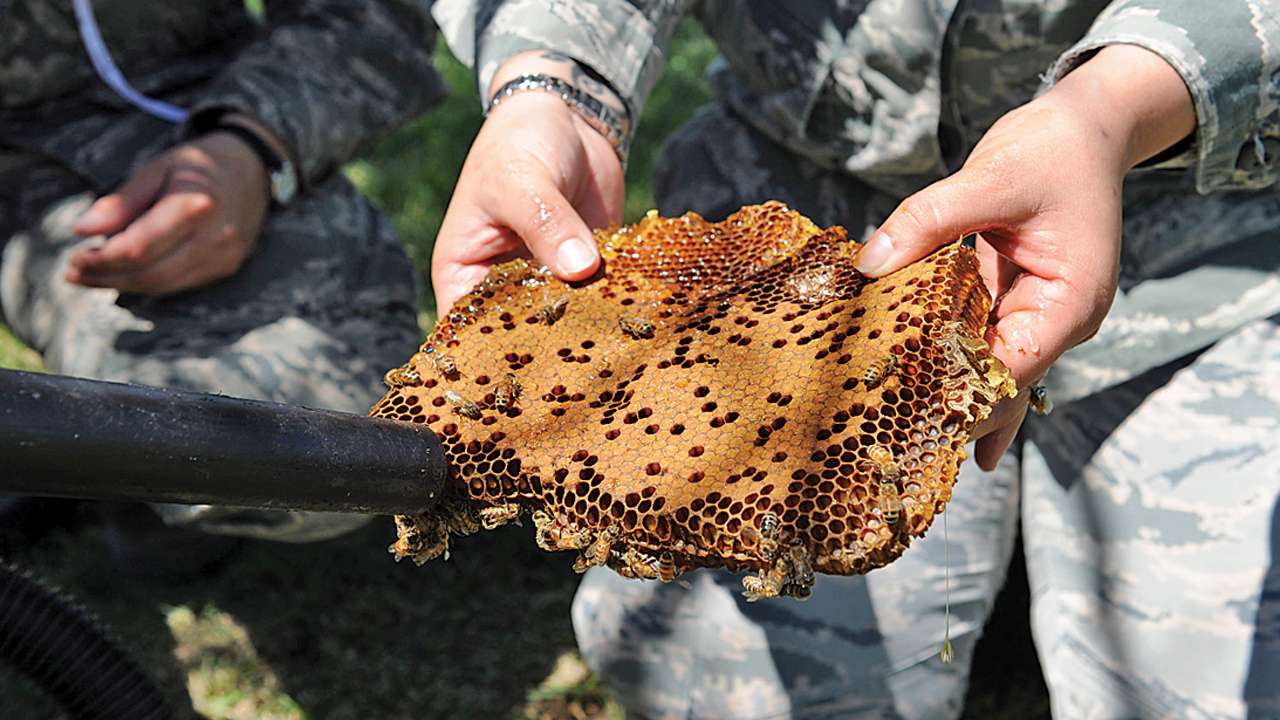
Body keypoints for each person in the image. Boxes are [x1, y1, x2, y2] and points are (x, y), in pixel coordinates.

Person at [430, 1, 1280, 718]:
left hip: (1192, 257)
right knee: (720, 677)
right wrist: (555, 86)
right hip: (776, 268)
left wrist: (1116, 106)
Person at [0, 1, 445, 542]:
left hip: (201, 111)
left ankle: (132, 493)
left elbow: (366, 13)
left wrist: (256, 142)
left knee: (334, 441)